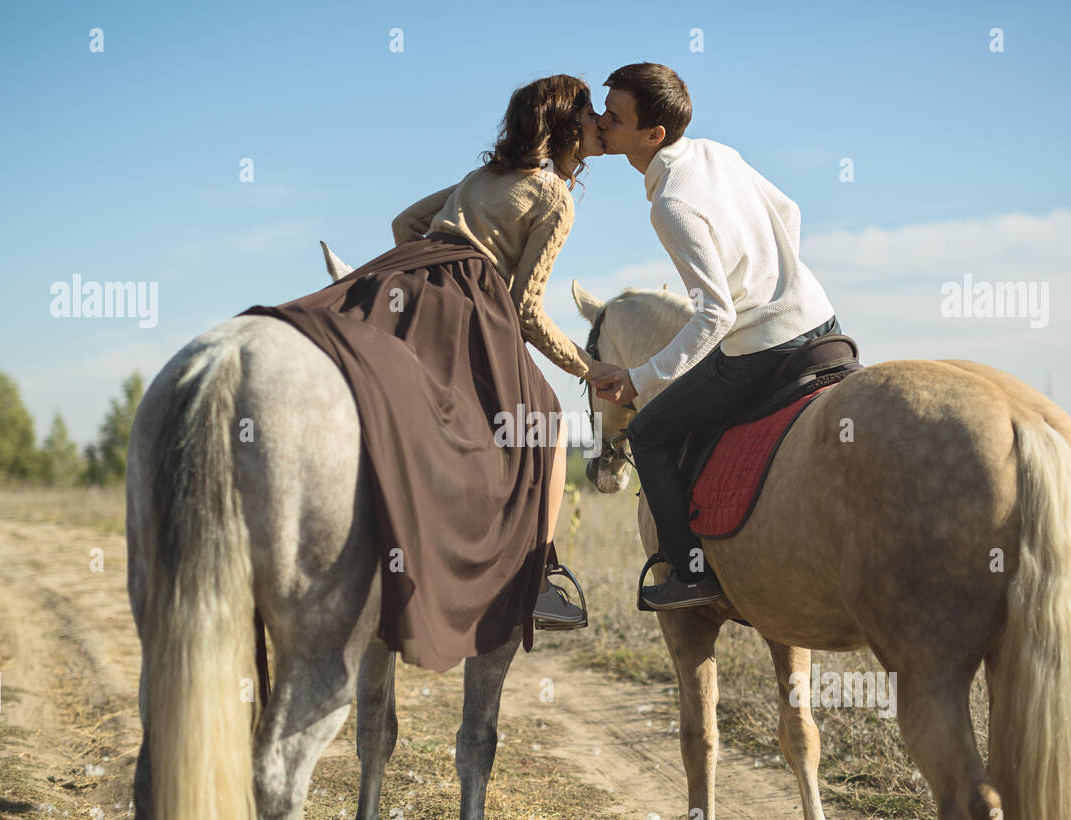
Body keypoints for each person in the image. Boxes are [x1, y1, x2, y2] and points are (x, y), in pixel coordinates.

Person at [240, 75, 604, 671]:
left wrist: (441, 257)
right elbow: (528, 308)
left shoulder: (478, 179)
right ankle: (539, 575)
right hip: (469, 304)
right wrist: (589, 366)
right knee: (547, 418)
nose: (595, 124)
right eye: (588, 115)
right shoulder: (554, 197)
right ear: (567, 126)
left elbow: (404, 223)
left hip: (406, 280)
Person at [590, 63, 842, 611]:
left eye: (614, 117)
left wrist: (638, 379)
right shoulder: (717, 153)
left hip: (763, 349)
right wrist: (779, 279)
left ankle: (688, 573)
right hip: (822, 323)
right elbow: (790, 211)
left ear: (652, 136)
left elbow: (714, 316)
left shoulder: (670, 204)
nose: (601, 122)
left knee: (652, 434)